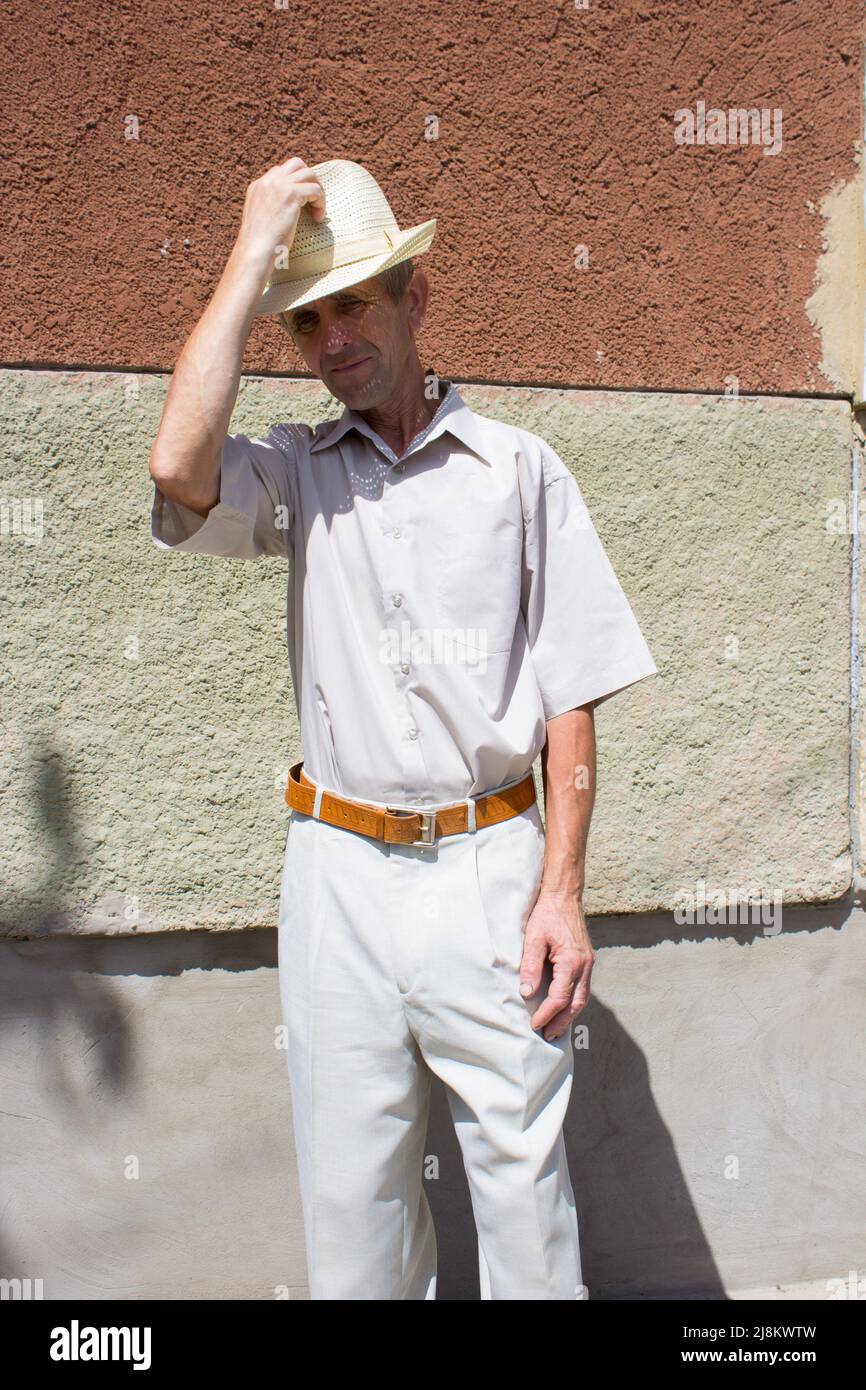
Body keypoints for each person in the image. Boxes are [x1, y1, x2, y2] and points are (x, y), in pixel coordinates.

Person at [148, 156, 658, 1300]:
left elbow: (570, 694)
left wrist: (562, 890)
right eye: (308, 319)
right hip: (334, 874)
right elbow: (177, 467)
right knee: (353, 1208)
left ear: (413, 299)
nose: (331, 338)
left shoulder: (519, 473)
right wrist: (248, 253)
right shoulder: (289, 473)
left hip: (490, 867)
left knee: (525, 1199)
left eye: (354, 303)